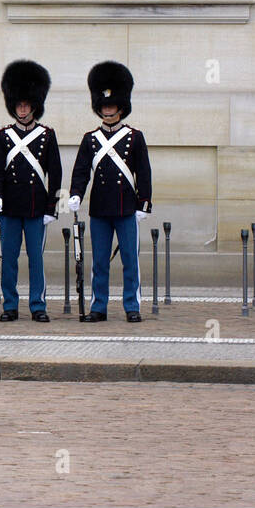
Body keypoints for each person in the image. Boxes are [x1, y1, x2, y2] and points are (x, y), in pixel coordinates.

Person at [69, 61, 153, 323]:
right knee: (100, 262)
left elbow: (144, 172)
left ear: (120, 106)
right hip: (101, 209)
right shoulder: (90, 139)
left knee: (130, 260)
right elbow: (82, 171)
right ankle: (99, 306)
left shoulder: (134, 137)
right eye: (103, 105)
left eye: (111, 105)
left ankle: (132, 305)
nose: (107, 109)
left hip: (127, 208)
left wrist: (144, 204)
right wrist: (75, 194)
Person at [0, 61, 62, 322]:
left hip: (35, 208)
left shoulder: (47, 135)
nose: (22, 109)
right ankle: (10, 304)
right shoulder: (3, 136)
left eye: (26, 104)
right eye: (18, 105)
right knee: (8, 260)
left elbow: (56, 174)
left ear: (34, 106)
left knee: (35, 261)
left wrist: (52, 208)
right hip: (9, 208)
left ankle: (37, 305)